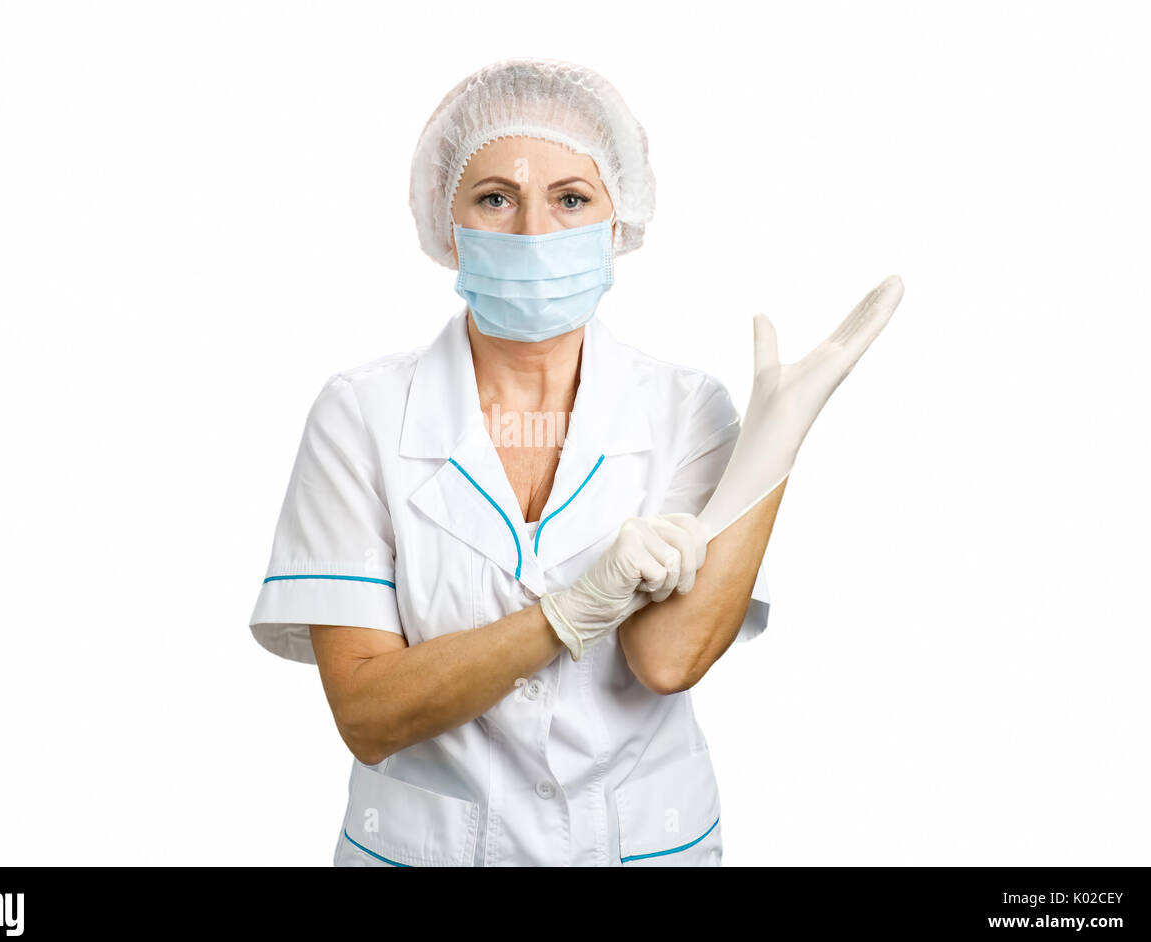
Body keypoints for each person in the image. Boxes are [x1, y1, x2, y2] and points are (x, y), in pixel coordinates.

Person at [247, 57, 903, 866]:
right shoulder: (362, 414)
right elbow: (370, 713)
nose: (533, 232)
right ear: (443, 221)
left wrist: (773, 448)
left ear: (617, 222)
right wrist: (569, 612)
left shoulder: (685, 409)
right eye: (495, 197)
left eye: (570, 199)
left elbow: (668, 660)